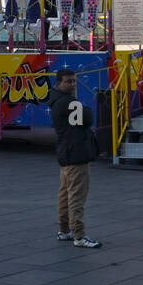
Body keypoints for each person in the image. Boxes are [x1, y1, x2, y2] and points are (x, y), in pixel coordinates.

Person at [49, 68, 101, 248]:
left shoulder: (56, 101)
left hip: (66, 153)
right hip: (76, 154)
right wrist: (84, 108)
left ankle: (64, 231)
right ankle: (79, 235)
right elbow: (87, 118)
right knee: (76, 196)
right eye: (68, 81)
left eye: (73, 81)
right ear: (58, 83)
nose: (72, 84)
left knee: (64, 194)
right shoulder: (68, 102)